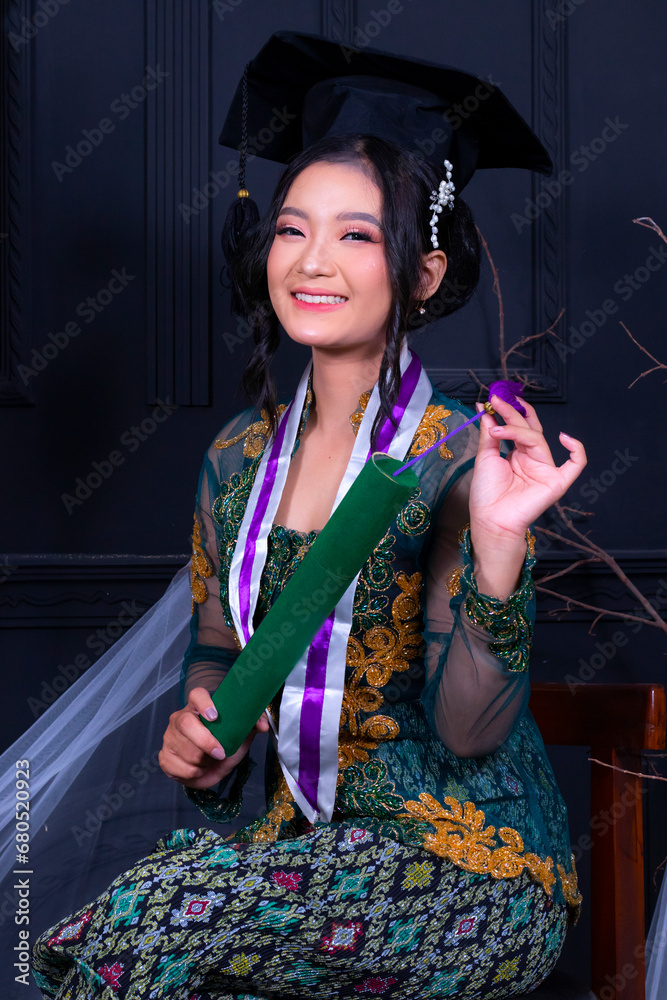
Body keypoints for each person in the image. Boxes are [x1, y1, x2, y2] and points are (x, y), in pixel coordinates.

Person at [31, 32, 587, 1000]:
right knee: (142, 946)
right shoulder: (236, 460)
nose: (312, 261)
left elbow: (468, 733)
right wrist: (204, 736)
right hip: (303, 855)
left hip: (465, 869)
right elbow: (219, 646)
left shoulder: (460, 458)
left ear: (422, 273)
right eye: (292, 229)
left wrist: (500, 545)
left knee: (149, 917)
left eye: (356, 235)